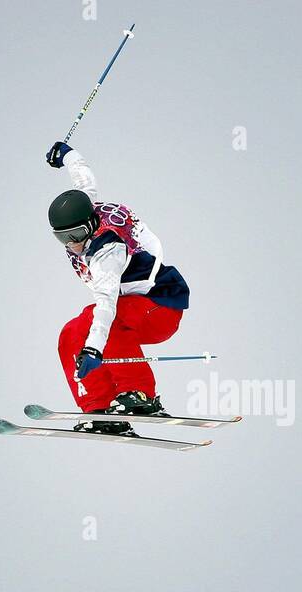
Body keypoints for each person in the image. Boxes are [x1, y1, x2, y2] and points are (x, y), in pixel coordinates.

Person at [45, 140, 191, 436]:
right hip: (132, 310)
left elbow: (106, 303)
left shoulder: (107, 250)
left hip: (160, 307)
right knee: (70, 332)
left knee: (94, 322)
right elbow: (84, 178)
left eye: (76, 234)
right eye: (63, 238)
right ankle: (98, 407)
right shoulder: (87, 208)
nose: (72, 243)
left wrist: (93, 349)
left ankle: (139, 394)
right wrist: (67, 155)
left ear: (90, 223)